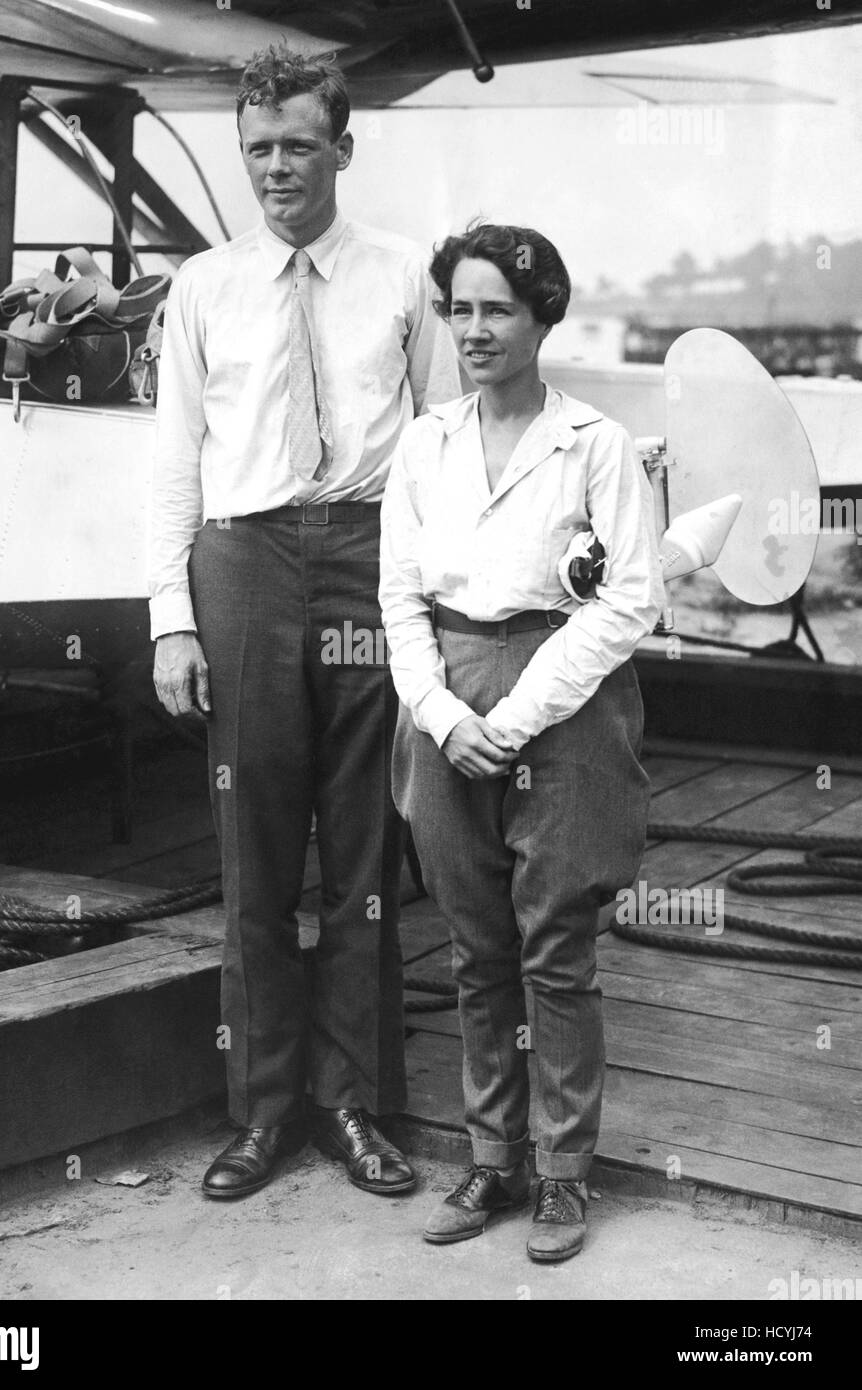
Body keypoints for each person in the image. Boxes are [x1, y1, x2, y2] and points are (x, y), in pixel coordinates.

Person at [148, 46, 460, 1199]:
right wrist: (168, 619)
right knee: (256, 847)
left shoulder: (400, 277)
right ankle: (264, 1110)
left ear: (342, 144)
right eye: (257, 148)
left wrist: (429, 596)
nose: (275, 166)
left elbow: (440, 443)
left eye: (295, 144)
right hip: (242, 561)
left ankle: (352, 1104)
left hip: (366, 557)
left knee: (365, 845)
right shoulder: (202, 286)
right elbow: (172, 462)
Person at [379, 223, 664, 1260]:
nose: (473, 328)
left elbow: (627, 600)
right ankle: (490, 1158)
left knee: (555, 950)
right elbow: (397, 599)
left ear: (543, 313)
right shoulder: (424, 443)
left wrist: (514, 714)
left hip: (564, 704)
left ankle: (562, 1175)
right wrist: (444, 715)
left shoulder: (594, 444)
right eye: (458, 307)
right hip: (446, 706)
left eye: (496, 307)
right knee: (474, 948)